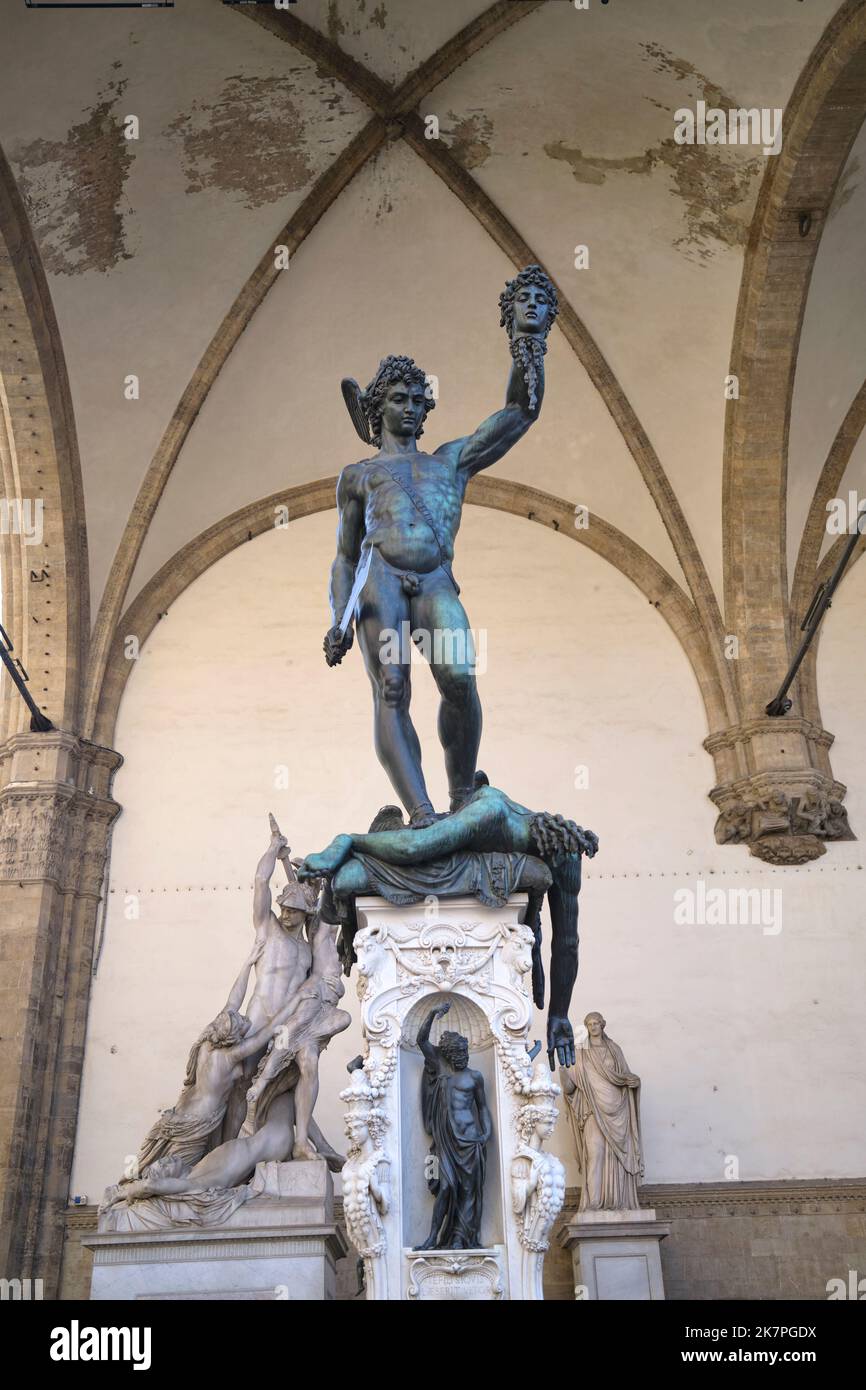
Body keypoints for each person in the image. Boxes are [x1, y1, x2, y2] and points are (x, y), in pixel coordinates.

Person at [324, 266, 558, 827]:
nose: (410, 407)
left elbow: (518, 413)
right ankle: (421, 812)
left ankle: (459, 795)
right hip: (380, 579)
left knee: (458, 678)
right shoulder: (358, 475)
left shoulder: (450, 460)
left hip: (434, 579)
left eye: (418, 399)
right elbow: (345, 555)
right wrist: (339, 615)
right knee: (393, 685)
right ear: (378, 407)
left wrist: (528, 342)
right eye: (399, 398)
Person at [300, 774, 598, 1066]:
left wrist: (560, 1013)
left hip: (461, 856)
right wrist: (345, 843)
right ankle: (358, 842)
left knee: (538, 874)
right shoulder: (492, 812)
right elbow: (412, 848)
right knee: (344, 881)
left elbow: (567, 943)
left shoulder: (566, 855)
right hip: (430, 852)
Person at [413, 1000, 491, 1251]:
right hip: (445, 1142)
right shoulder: (440, 1065)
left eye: (464, 1055)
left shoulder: (475, 1077)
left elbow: (482, 1108)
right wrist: (432, 1014)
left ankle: (460, 1237)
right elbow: (422, 1041)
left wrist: (486, 1132)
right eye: (458, 1056)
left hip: (470, 1141)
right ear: (448, 1054)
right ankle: (432, 1238)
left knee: (469, 1191)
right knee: (446, 1187)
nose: (462, 1059)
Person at [562, 1012, 643, 1211]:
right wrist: (563, 1068)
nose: (593, 1026)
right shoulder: (579, 1053)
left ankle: (620, 1202)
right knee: (595, 1154)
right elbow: (569, 1088)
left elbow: (624, 1075)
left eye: (596, 1023)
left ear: (603, 1025)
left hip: (618, 1111)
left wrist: (633, 1081)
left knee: (615, 1157)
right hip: (592, 1109)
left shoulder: (614, 1050)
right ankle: (594, 1203)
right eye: (589, 1024)